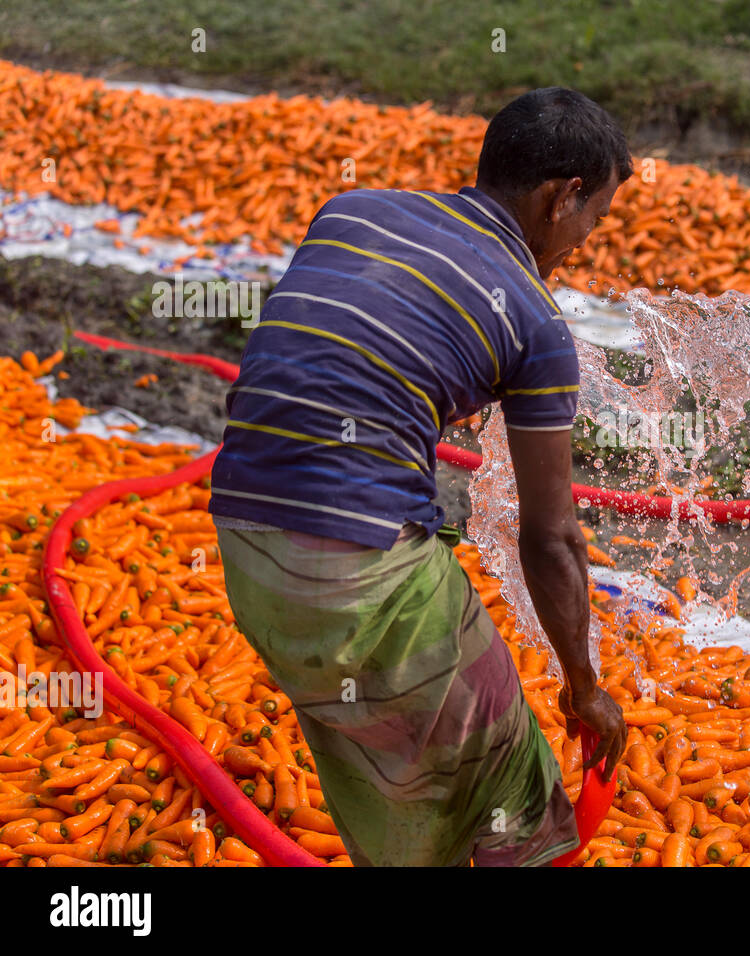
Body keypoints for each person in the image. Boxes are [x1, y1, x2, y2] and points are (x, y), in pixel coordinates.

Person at [209, 87, 632, 866]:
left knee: (386, 771)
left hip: (244, 545)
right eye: (593, 219)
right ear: (561, 195)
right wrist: (583, 686)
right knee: (515, 806)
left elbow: (335, 358)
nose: (584, 242)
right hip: (361, 566)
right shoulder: (537, 322)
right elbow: (551, 538)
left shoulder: (350, 209)